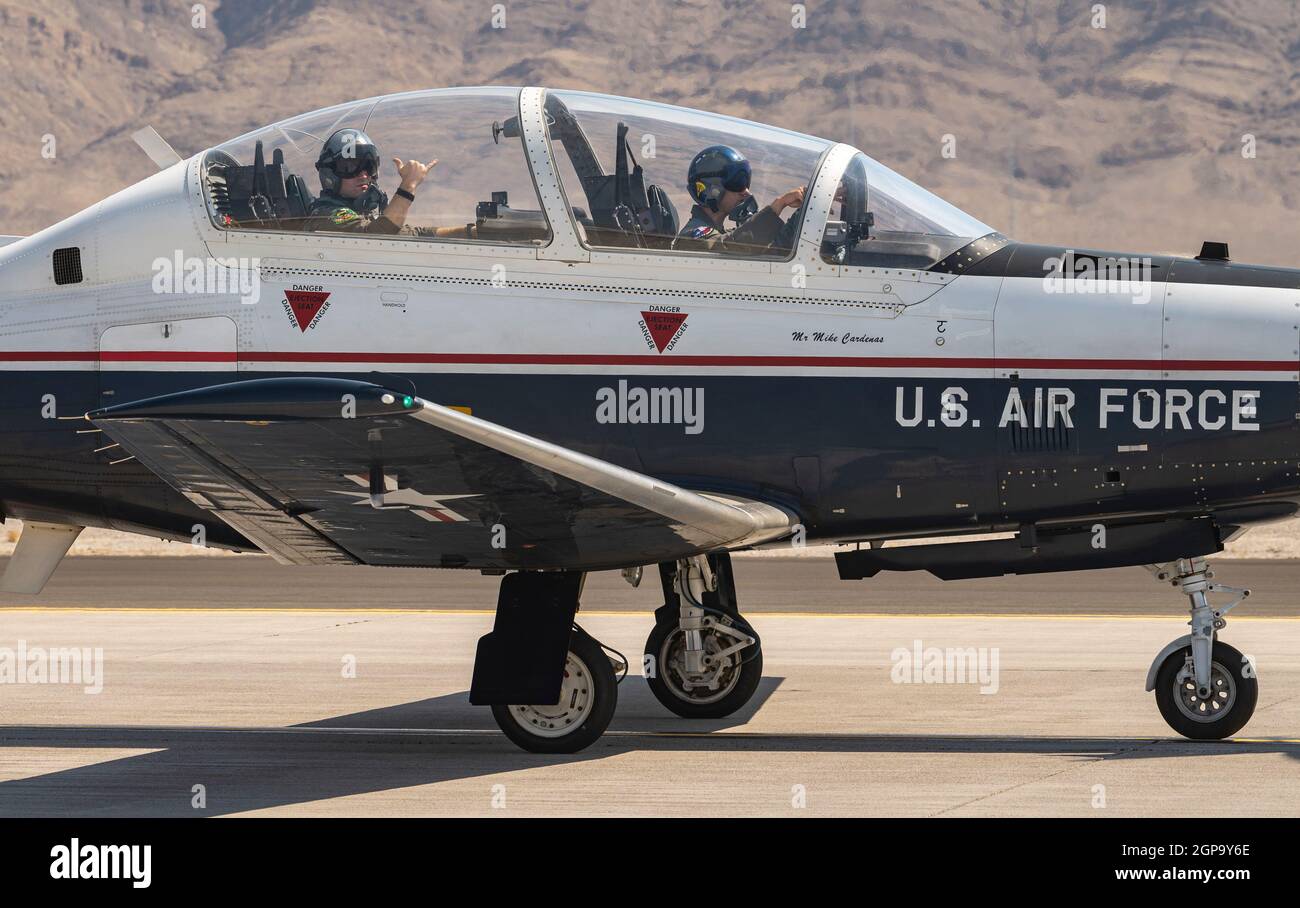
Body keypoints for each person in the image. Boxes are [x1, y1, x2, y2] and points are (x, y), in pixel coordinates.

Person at [307, 128, 473, 238]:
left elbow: (413, 234)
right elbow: (379, 235)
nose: (364, 175)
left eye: (368, 166)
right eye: (350, 167)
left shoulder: (360, 215)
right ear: (330, 174)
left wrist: (471, 233)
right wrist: (408, 185)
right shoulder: (329, 215)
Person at [673, 144, 805, 254]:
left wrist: (801, 214)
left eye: (746, 183)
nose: (746, 192)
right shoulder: (691, 238)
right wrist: (779, 204)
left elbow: (776, 249)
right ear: (711, 190)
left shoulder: (722, 234)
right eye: (738, 183)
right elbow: (731, 247)